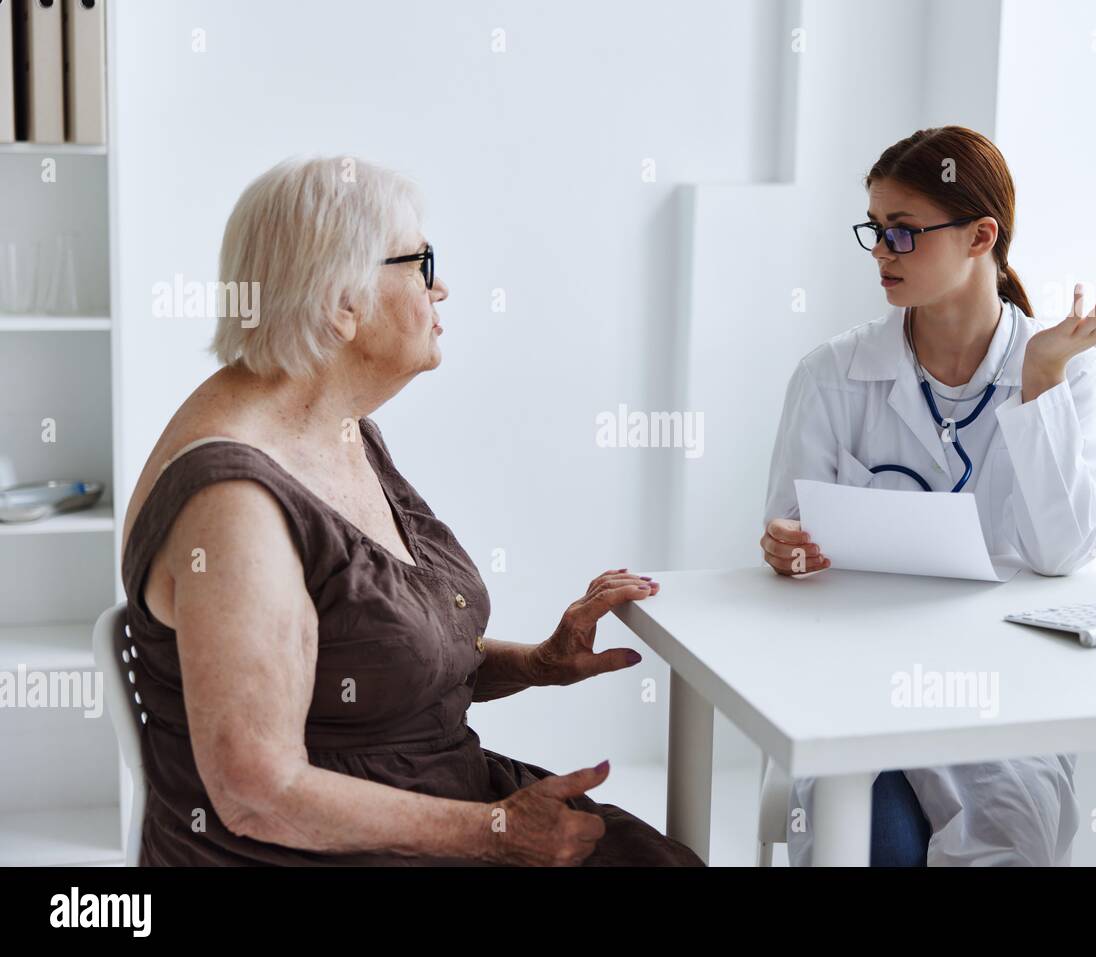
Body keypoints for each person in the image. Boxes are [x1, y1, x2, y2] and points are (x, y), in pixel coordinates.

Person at [119, 155, 703, 866]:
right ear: (342, 301)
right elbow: (256, 790)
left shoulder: (335, 426)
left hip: (432, 803)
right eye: (422, 262)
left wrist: (537, 662)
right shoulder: (234, 507)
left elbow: (373, 663)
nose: (442, 287)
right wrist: (496, 831)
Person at [760, 126, 1096, 866]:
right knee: (877, 844)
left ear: (980, 236)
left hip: (1002, 705)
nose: (881, 252)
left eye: (903, 233)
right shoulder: (831, 375)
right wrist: (787, 549)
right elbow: (790, 540)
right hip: (861, 694)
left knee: (996, 844)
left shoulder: (1064, 371)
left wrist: (1040, 377)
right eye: (874, 231)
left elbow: (1063, 552)